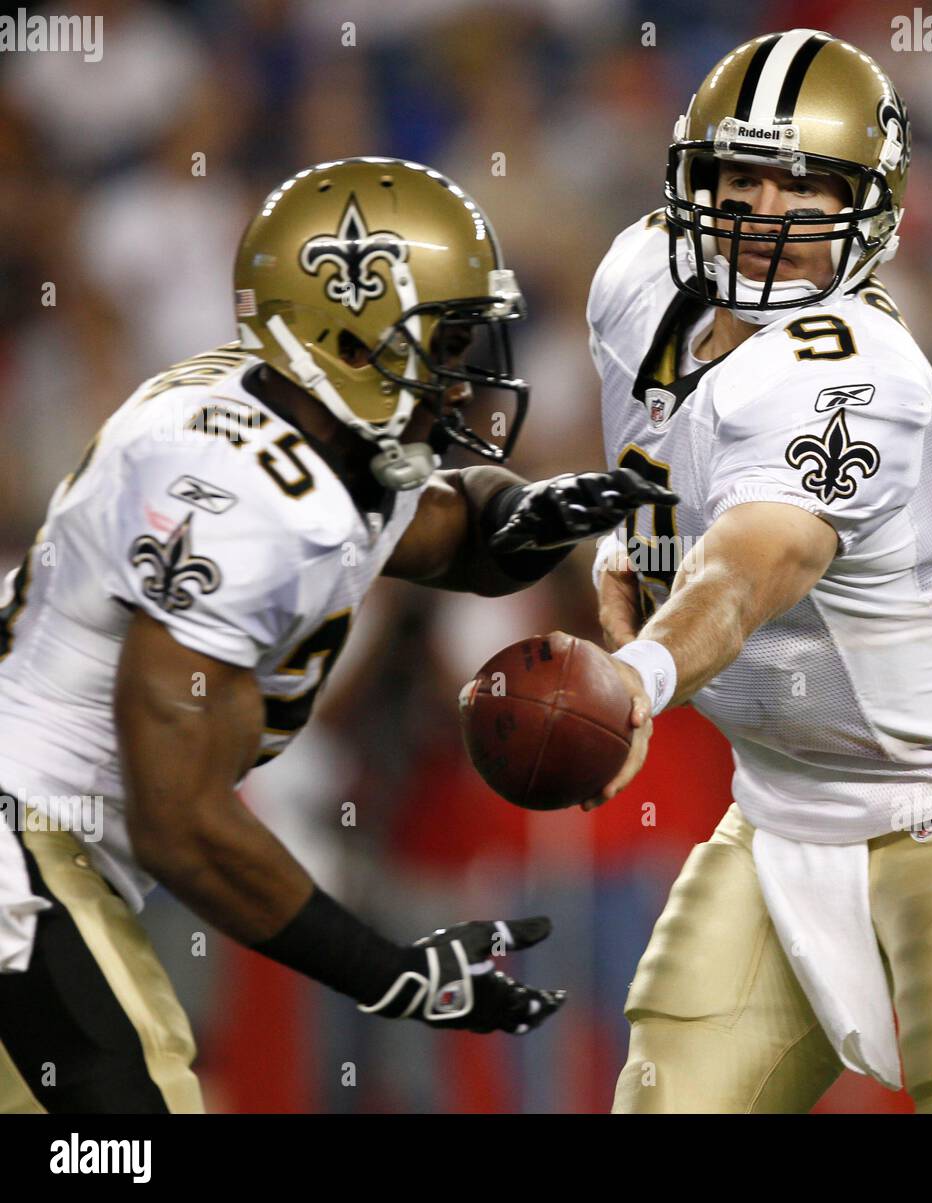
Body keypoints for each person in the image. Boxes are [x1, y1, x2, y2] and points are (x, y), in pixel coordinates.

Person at [0, 157, 671, 1114]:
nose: (470, 367)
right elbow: (181, 823)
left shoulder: (326, 434)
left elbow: (455, 533)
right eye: (445, 336)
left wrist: (552, 512)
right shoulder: (228, 495)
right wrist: (391, 970)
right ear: (349, 338)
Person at [579, 31, 932, 1113]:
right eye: (741, 177)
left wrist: (640, 680)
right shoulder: (637, 280)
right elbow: (674, 474)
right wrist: (628, 546)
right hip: (779, 807)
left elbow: (760, 558)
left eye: (807, 187)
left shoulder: (858, 371)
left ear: (873, 209)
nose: (766, 211)